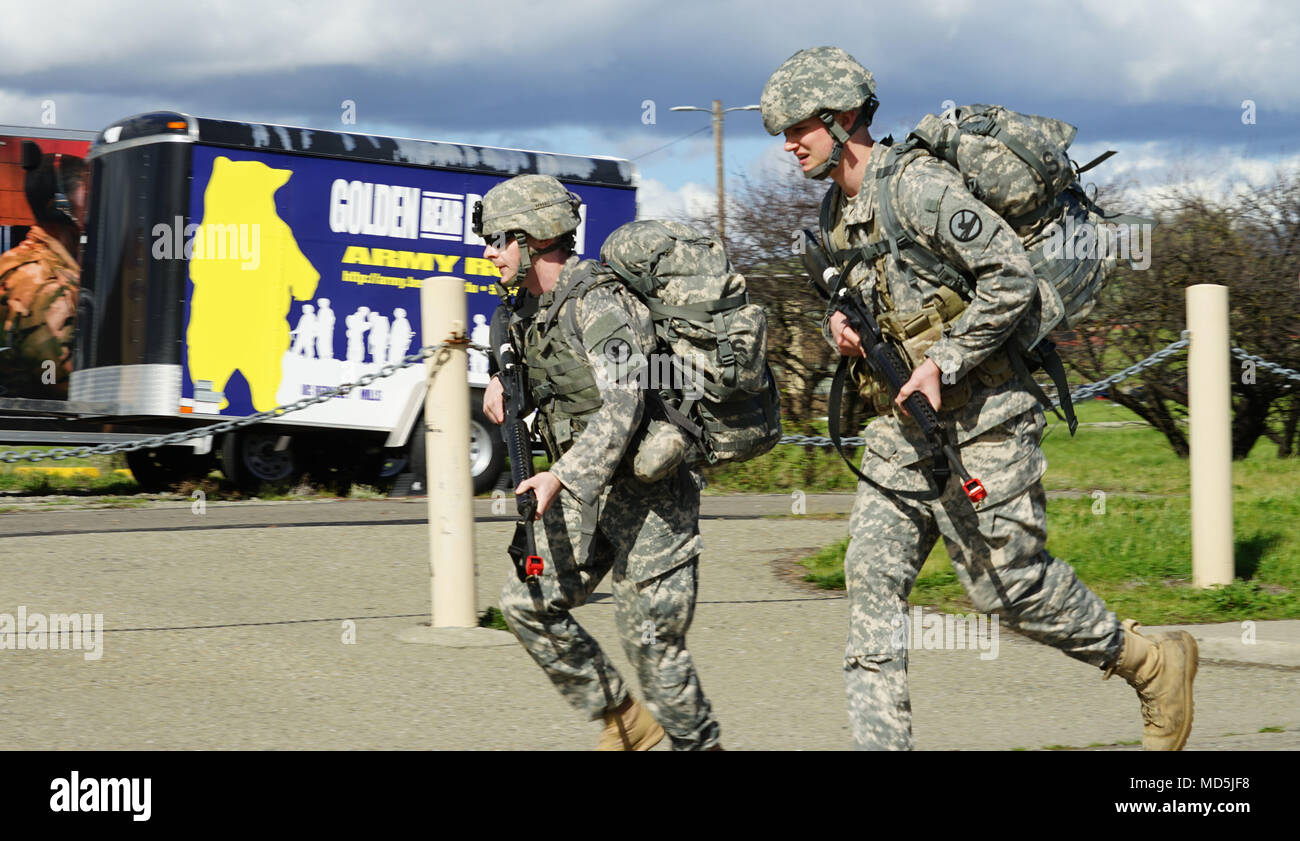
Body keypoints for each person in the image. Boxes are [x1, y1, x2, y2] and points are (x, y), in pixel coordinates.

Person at [759, 46, 1197, 750]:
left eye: (797, 128)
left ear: (842, 120)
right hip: (902, 433)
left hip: (986, 419)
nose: (787, 144)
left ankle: (1150, 663)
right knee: (871, 590)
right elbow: (869, 298)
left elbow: (1010, 279)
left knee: (1009, 590)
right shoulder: (839, 209)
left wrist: (945, 359)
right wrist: (838, 326)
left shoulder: (919, 189)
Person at [478, 174, 721, 751]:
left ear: (533, 238)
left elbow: (624, 404)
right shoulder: (529, 312)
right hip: (587, 498)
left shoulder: (599, 303)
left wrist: (560, 475)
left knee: (653, 653)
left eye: (498, 240)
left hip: (649, 504)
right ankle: (625, 720)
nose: (488, 252)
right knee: (525, 601)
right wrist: (500, 381)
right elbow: (555, 383)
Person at [0, 141, 86, 400]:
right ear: (61, 207)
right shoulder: (45, 282)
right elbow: (61, 384)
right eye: (89, 195)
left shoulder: (15, 260)